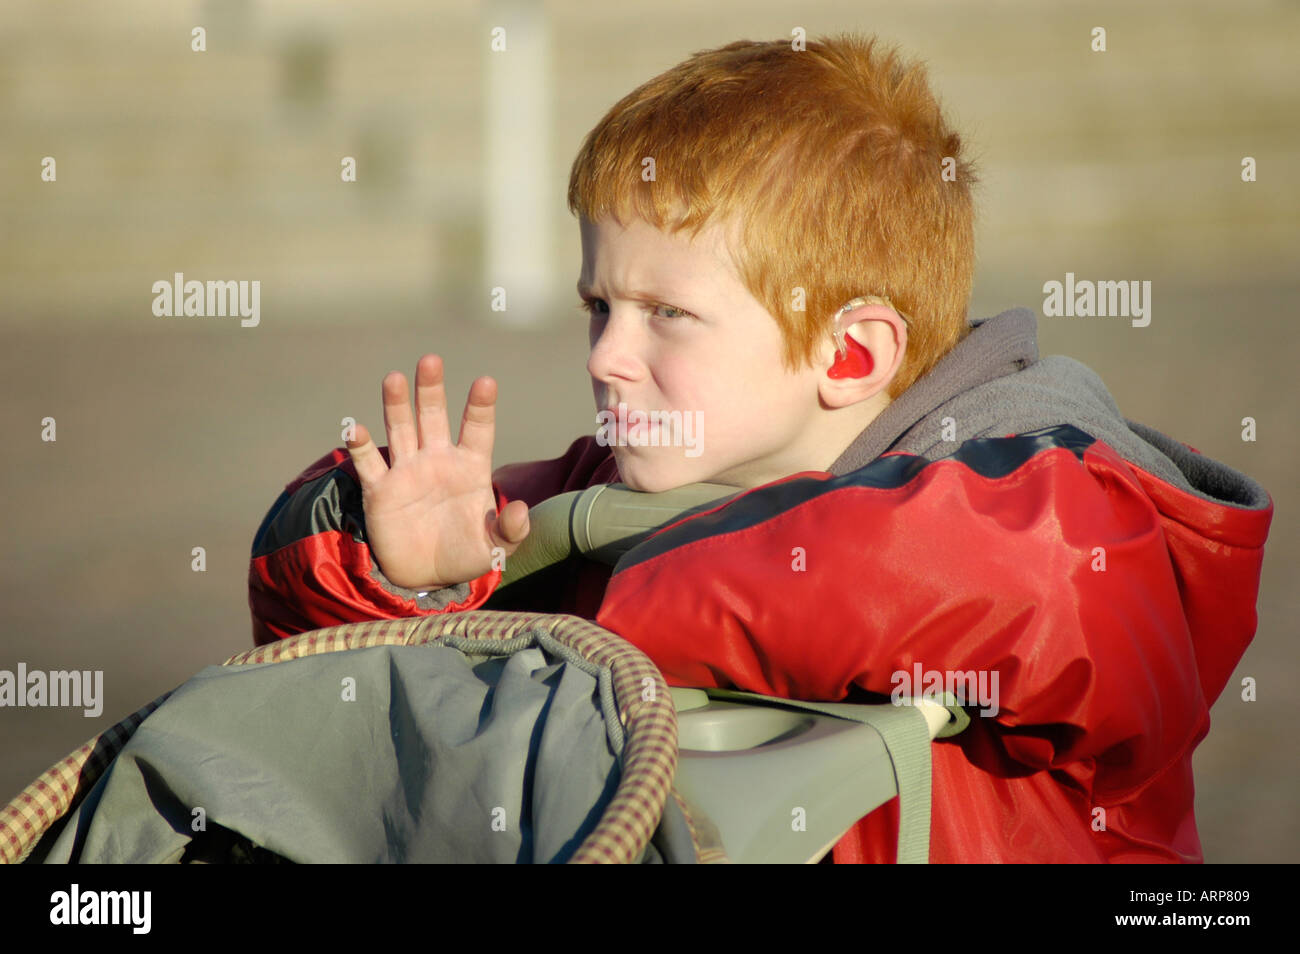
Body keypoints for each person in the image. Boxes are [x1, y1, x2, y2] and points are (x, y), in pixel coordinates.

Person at [247, 34, 1273, 862]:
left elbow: (1032, 587)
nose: (606, 357)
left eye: (667, 315)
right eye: (598, 305)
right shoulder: (618, 485)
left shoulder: (1056, 493)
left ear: (850, 353)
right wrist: (399, 572)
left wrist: (606, 603)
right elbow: (303, 665)